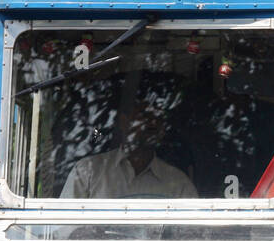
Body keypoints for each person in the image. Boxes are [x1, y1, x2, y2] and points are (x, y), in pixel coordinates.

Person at [61, 78, 198, 200]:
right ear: (123, 122)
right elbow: (64, 226)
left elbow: (194, 228)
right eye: (144, 116)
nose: (152, 123)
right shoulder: (88, 172)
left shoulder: (179, 182)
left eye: (158, 118)